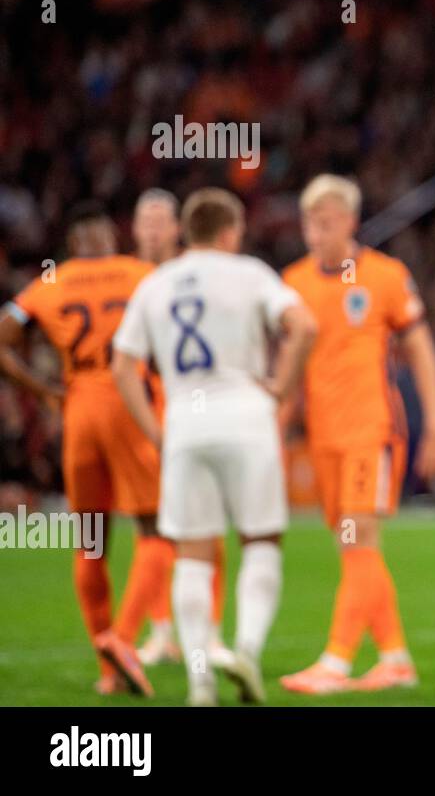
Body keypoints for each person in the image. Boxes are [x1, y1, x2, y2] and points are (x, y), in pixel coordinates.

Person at [111, 188, 317, 705]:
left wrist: (156, 430)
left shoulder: (156, 283)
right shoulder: (249, 273)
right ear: (230, 231)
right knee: (261, 541)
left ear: (186, 230)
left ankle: (201, 680)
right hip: (246, 416)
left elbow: (121, 365)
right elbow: (304, 325)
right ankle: (245, 651)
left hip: (185, 423)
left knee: (193, 557)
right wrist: (282, 385)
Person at [279, 174, 435, 693]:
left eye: (326, 222)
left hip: (371, 430)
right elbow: (288, 365)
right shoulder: (293, 283)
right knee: (355, 548)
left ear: (351, 222)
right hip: (323, 436)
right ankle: (396, 658)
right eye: (310, 222)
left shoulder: (384, 276)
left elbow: (420, 350)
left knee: (358, 543)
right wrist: (277, 424)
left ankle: (336, 661)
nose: (316, 233)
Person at [0, 201, 163, 696]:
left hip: (78, 408)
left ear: (72, 245)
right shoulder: (141, 273)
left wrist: (43, 390)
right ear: (109, 237)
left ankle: (108, 670)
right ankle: (125, 638)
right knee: (161, 529)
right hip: (129, 400)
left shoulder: (54, 281)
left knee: (91, 540)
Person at [129, 188, 231, 669]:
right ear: (133, 229)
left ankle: (211, 633)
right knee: (150, 525)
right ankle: (161, 631)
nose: (151, 230)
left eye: (160, 221)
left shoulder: (197, 274)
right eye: (144, 221)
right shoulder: (127, 280)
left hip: (196, 414)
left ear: (177, 229)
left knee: (204, 526)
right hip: (144, 420)